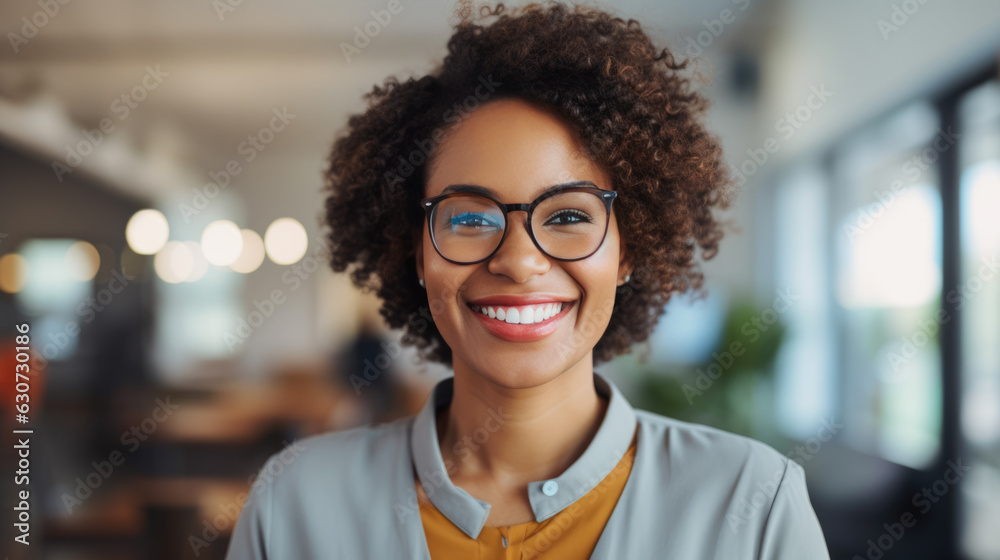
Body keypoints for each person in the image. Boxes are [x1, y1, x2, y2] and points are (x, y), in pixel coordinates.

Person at [225, 1, 831, 558]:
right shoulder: (294, 503)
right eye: (468, 216)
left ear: (627, 252)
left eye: (568, 216)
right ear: (417, 253)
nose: (518, 261)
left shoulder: (753, 505)